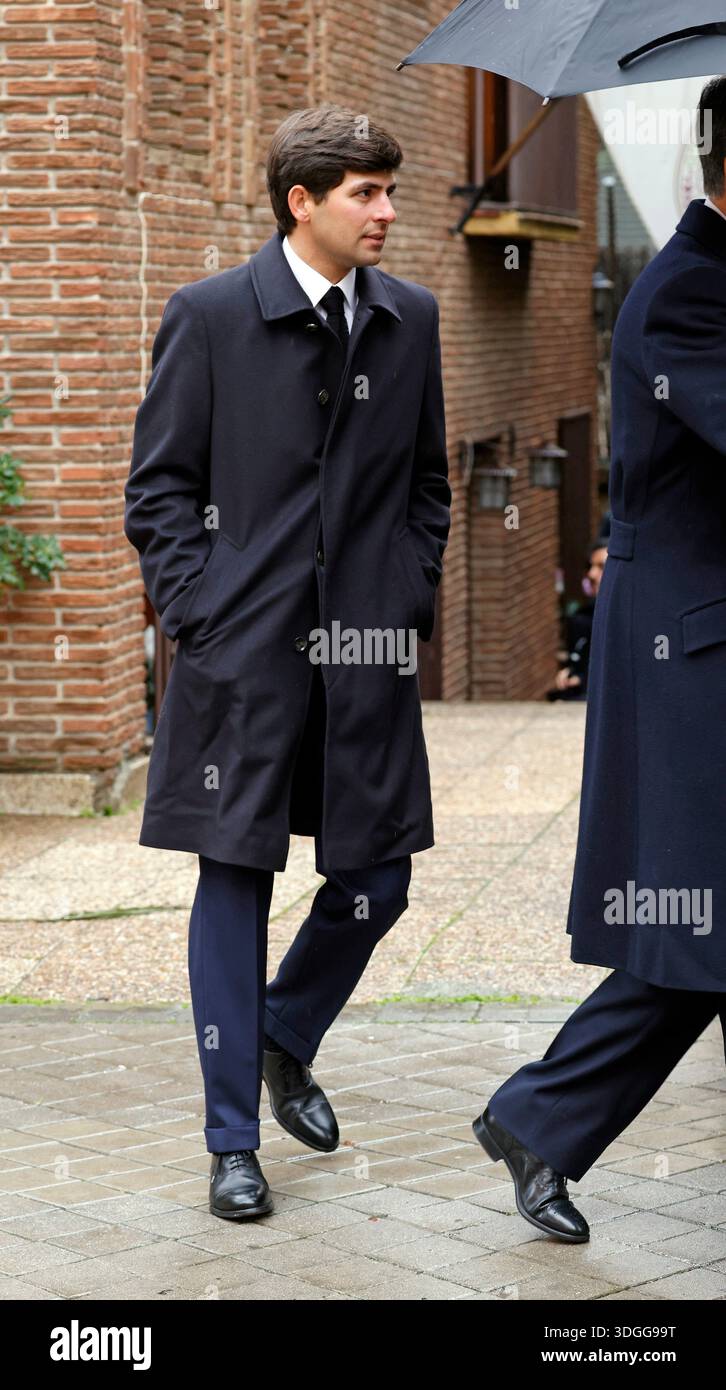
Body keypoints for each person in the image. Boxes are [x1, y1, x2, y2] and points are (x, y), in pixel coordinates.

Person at [124, 105, 451, 1220]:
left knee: (381, 874)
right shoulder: (210, 317)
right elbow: (158, 490)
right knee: (235, 878)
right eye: (366, 192)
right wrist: (201, 615)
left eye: (390, 189)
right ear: (300, 202)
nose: (389, 211)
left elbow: (427, 485)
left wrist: (403, 596)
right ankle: (232, 1144)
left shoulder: (412, 319)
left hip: (363, 655)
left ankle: (282, 1029)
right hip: (240, 660)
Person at [472, 75, 726, 1243]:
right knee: (692, 920)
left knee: (705, 927)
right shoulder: (682, 298)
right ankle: (540, 1113)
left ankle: (542, 1117)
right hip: (691, 650)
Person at [548, 533, 608, 701]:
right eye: (590, 566)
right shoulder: (582, 619)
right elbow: (578, 662)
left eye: (602, 567)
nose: (592, 574)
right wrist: (571, 674)